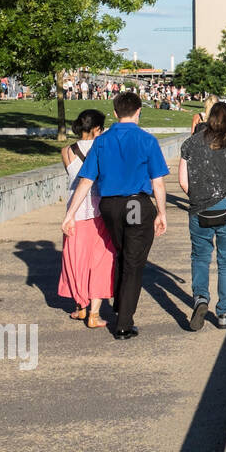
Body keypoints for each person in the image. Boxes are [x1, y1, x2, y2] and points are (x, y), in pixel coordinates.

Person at [62, 90, 169, 341]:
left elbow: (86, 180)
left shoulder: (102, 141)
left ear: (114, 113)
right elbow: (158, 182)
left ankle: (121, 303)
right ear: (139, 111)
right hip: (135, 205)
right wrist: (162, 212)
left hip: (109, 207)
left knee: (121, 253)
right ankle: (123, 322)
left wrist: (71, 213)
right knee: (134, 262)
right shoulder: (147, 140)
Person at [179, 102, 226, 330]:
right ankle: (224, 314)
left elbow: (184, 182)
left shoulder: (190, 143)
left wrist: (197, 198)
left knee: (200, 257)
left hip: (200, 209)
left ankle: (201, 298)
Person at [58, 110, 116, 328]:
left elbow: (75, 178)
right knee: (100, 263)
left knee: (76, 262)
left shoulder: (66, 151)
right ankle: (94, 313)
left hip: (74, 213)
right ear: (97, 129)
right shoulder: (103, 149)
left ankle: (80, 307)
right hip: (98, 212)